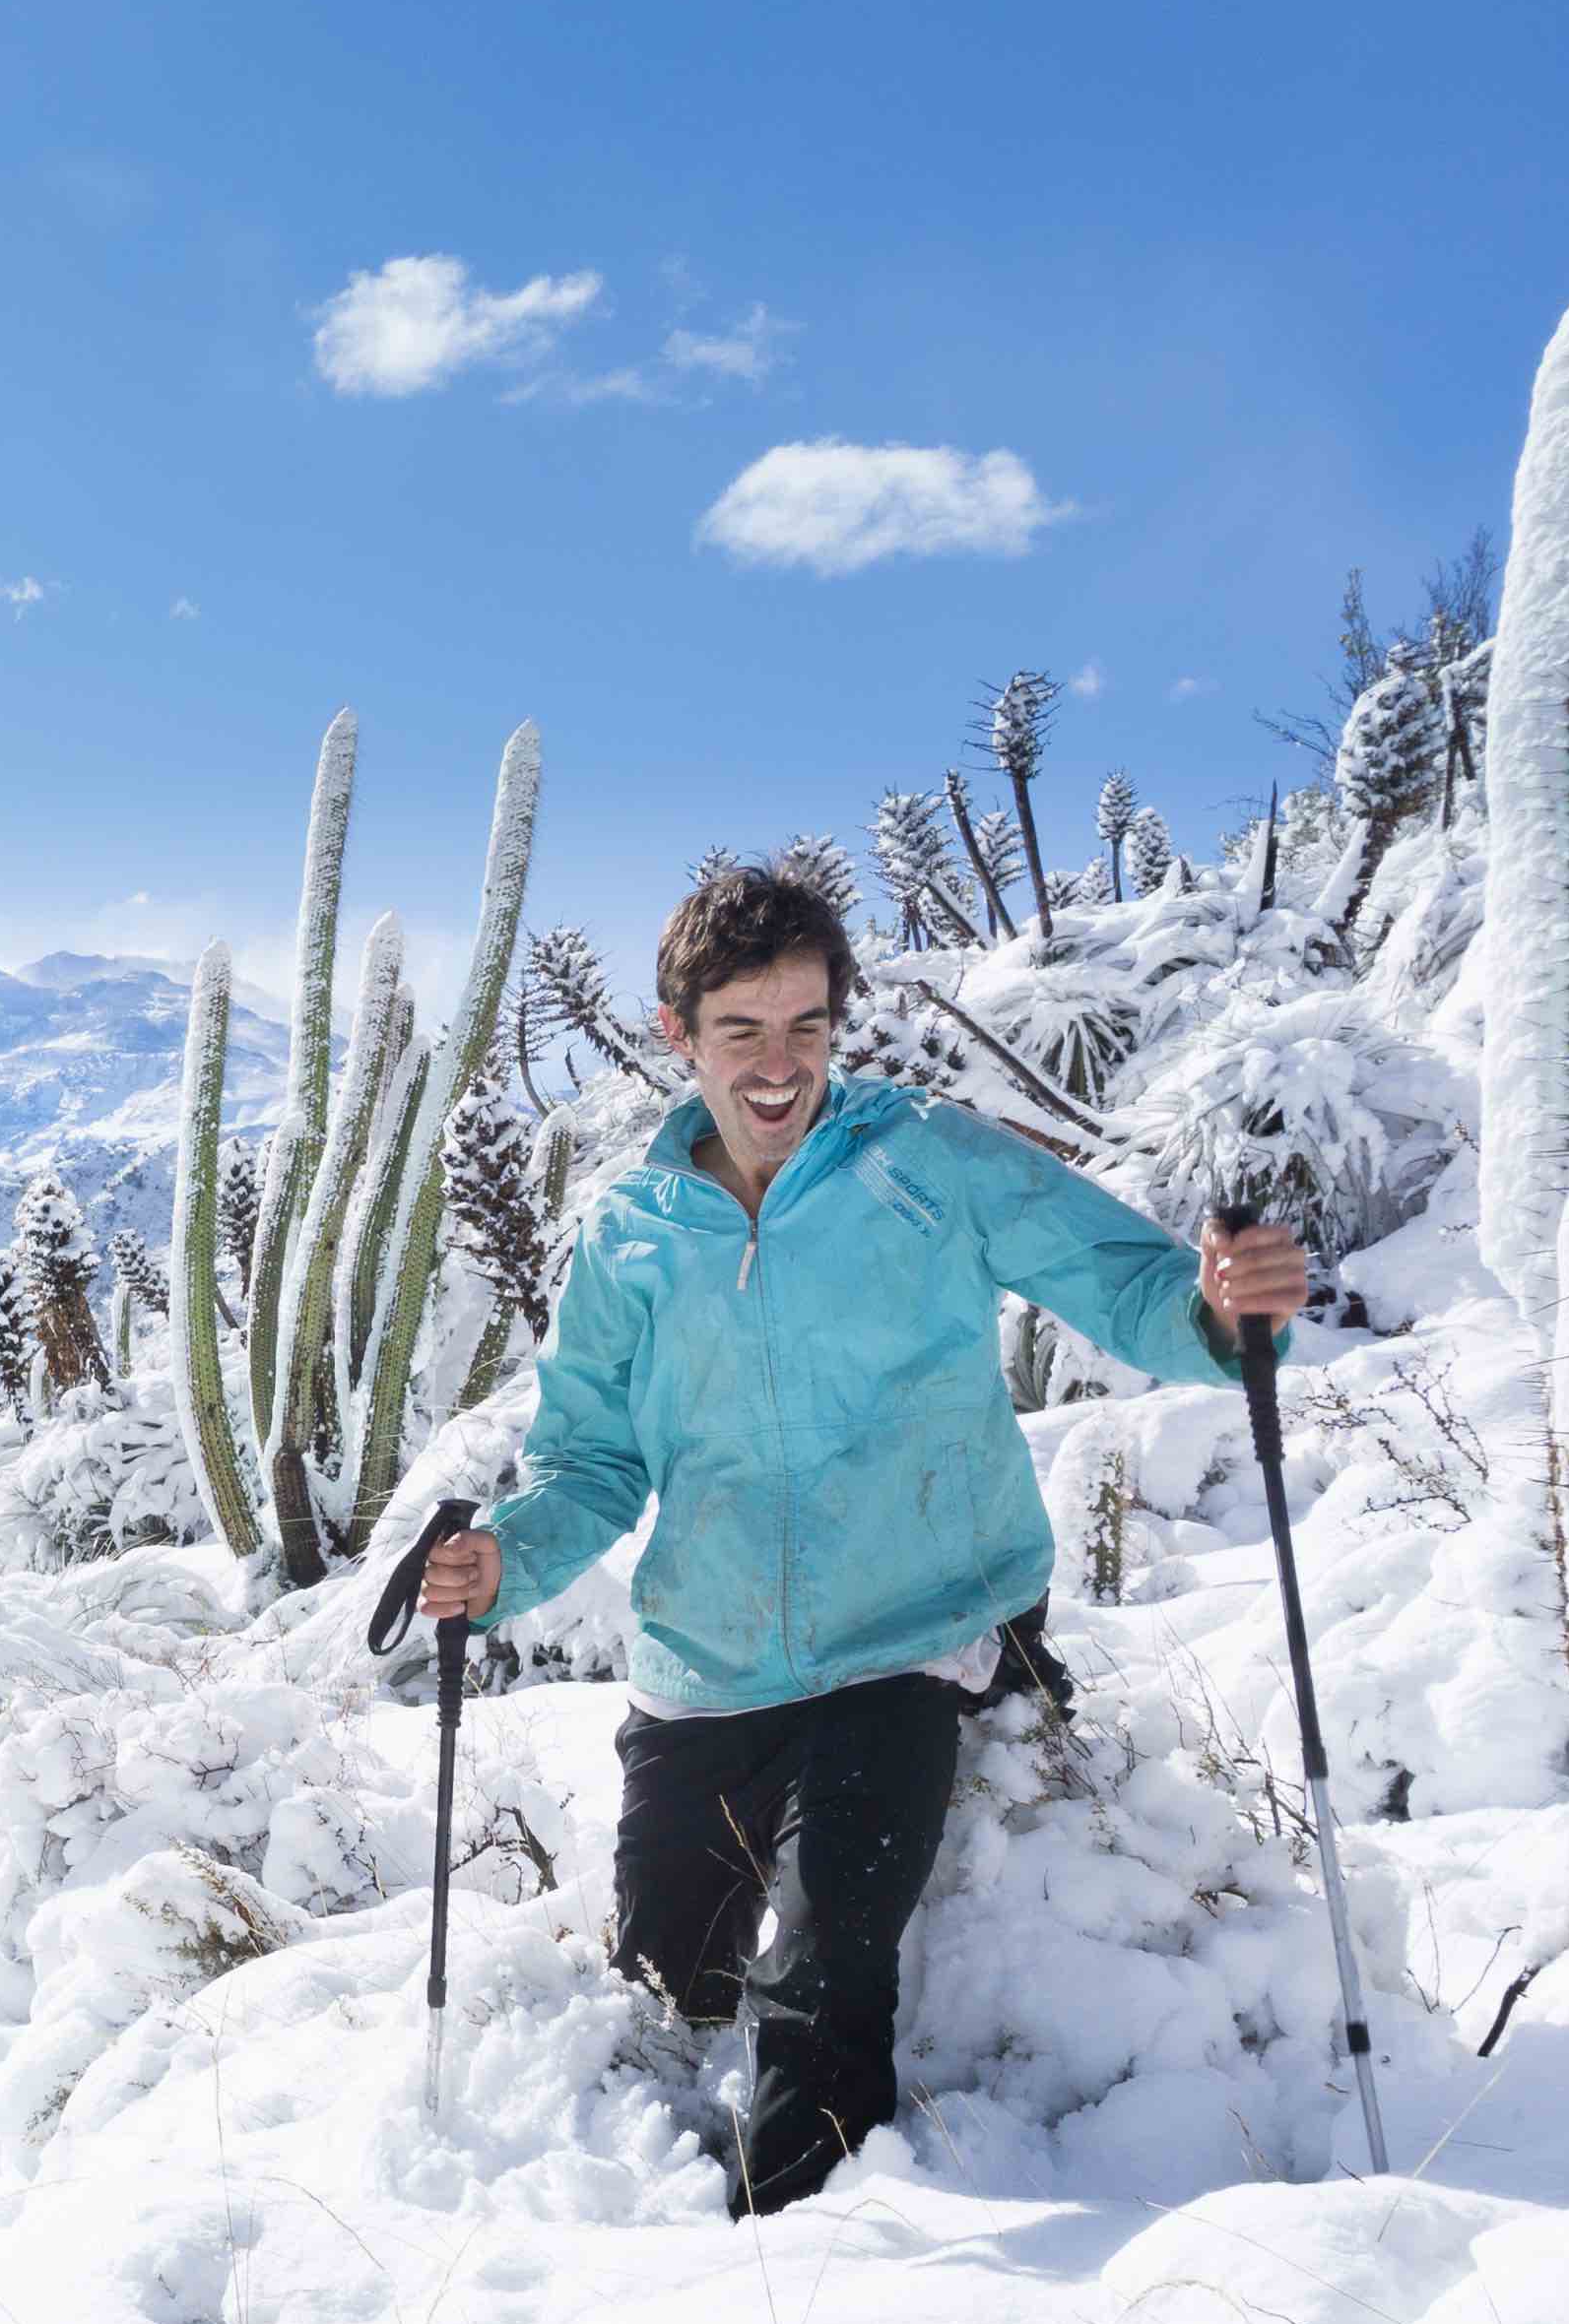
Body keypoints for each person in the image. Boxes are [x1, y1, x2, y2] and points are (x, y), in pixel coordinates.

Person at [404, 859, 1306, 2213]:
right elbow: (590, 1457)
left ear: (839, 1021)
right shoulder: (628, 1237)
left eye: (807, 1027)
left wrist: (1222, 1305)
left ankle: (807, 2274)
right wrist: (505, 1559)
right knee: (668, 1977)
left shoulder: (924, 1160)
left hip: (920, 1628)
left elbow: (1121, 1284)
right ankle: (634, 2232)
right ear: (678, 1034)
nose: (779, 1066)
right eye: (742, 1032)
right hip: (706, 1658)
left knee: (821, 1963)